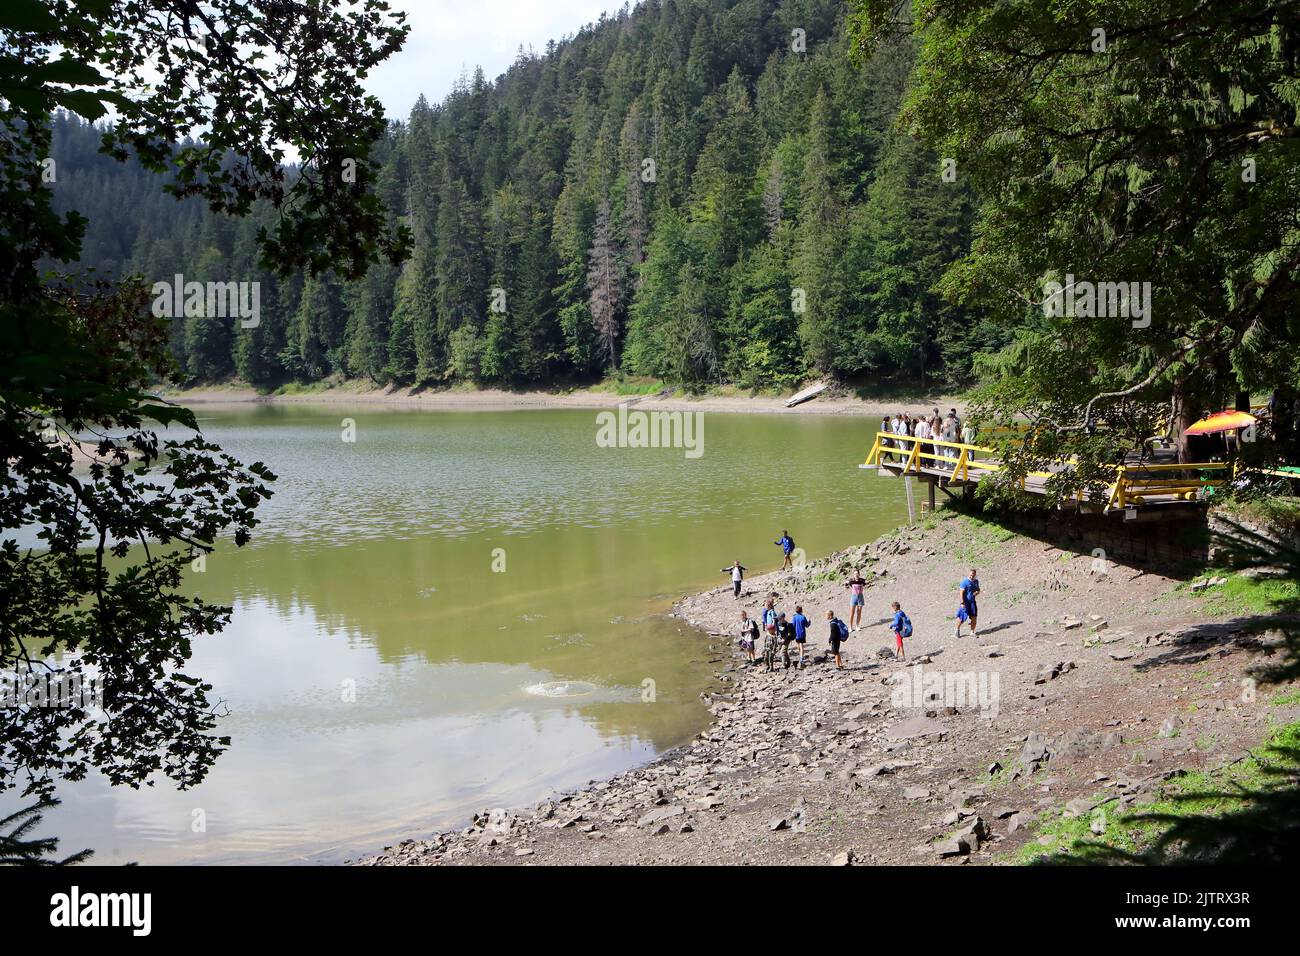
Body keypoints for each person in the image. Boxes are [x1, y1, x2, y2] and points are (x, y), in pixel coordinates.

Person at [958, 568, 980, 637]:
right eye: (970, 574)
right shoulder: (964, 582)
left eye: (973, 574)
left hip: (972, 602)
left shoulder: (976, 581)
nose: (972, 576)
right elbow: (961, 592)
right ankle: (957, 630)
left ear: (975, 574)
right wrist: (962, 603)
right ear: (968, 574)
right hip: (965, 603)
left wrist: (977, 592)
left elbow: (978, 589)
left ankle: (972, 632)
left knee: (974, 617)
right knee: (962, 617)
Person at [762, 602, 781, 673]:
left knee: (770, 658)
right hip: (767, 648)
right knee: (766, 657)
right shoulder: (767, 635)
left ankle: (771, 667)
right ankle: (767, 666)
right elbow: (765, 641)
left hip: (771, 649)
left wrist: (774, 649)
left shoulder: (772, 612)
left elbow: (774, 620)